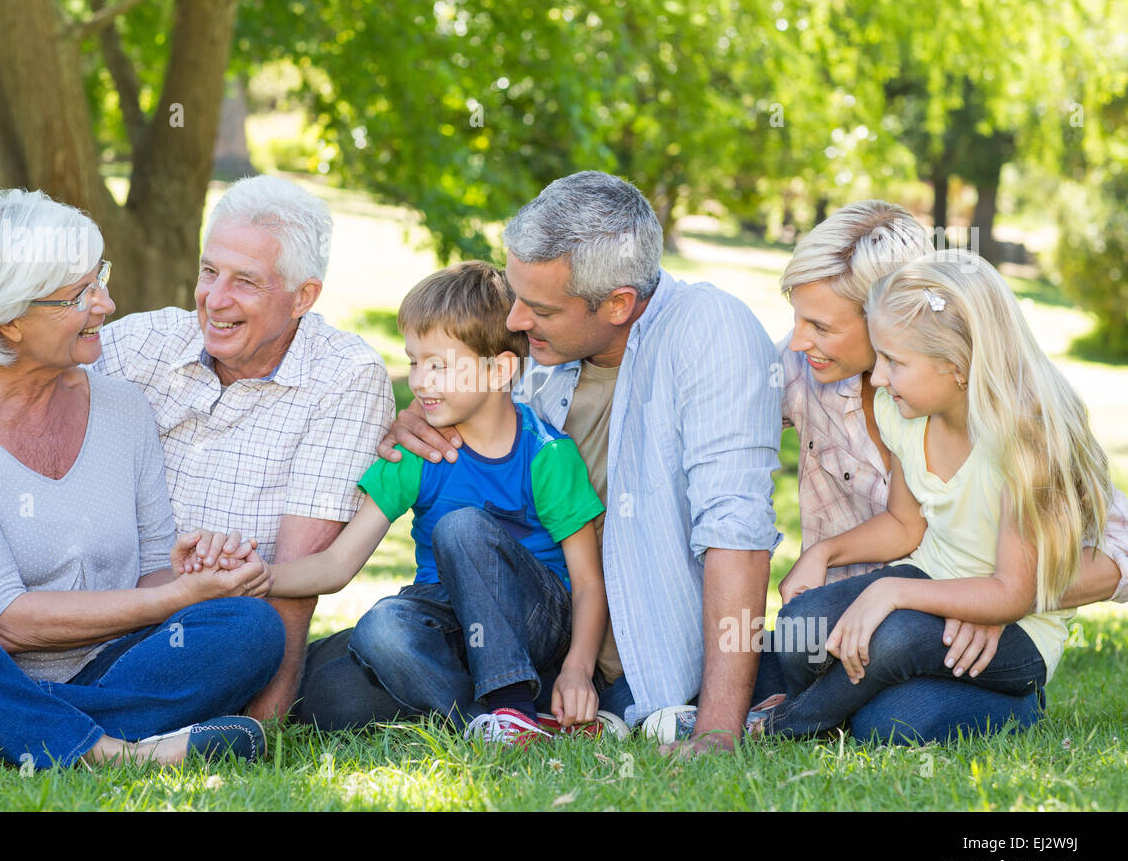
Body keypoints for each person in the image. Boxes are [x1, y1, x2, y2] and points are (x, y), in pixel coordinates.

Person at [0, 175, 397, 721]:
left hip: (127, 651)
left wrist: (260, 716)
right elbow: (5, 367)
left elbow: (273, 578)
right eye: (210, 271)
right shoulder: (133, 350)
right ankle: (104, 744)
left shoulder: (127, 398)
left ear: (303, 296)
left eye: (246, 281)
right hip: (0, 654)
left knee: (248, 626)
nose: (215, 299)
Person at [298, 171, 783, 753]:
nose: (516, 321)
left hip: (627, 664)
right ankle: (510, 716)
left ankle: (530, 713)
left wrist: (718, 728)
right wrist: (426, 416)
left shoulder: (708, 329)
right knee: (326, 694)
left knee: (353, 685)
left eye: (540, 308)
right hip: (506, 633)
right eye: (515, 294)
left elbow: (737, 532)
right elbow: (479, 406)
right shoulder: (547, 352)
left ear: (618, 304)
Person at [0, 189, 283, 767]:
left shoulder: (123, 407)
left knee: (250, 625)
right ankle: (114, 753)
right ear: (9, 322)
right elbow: (6, 623)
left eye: (98, 277)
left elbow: (152, 582)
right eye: (80, 294)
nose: (105, 302)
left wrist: (191, 577)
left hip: (100, 668)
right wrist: (178, 596)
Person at [760, 249, 1117, 737]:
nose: (878, 377)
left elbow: (1011, 593)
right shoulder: (904, 414)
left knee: (893, 664)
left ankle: (784, 725)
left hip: (1018, 630)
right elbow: (905, 525)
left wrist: (892, 591)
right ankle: (856, 702)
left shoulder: (1023, 443)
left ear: (957, 366)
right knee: (802, 626)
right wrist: (823, 551)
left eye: (893, 361)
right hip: (931, 578)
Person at [268, 262, 610, 744]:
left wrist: (578, 669)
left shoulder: (546, 455)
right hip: (447, 627)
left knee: (460, 527)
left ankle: (511, 701)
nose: (420, 382)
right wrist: (255, 579)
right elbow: (336, 564)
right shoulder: (415, 454)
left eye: (439, 365)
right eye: (413, 362)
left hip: (533, 622)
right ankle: (492, 720)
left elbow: (589, 584)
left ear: (499, 370)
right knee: (363, 649)